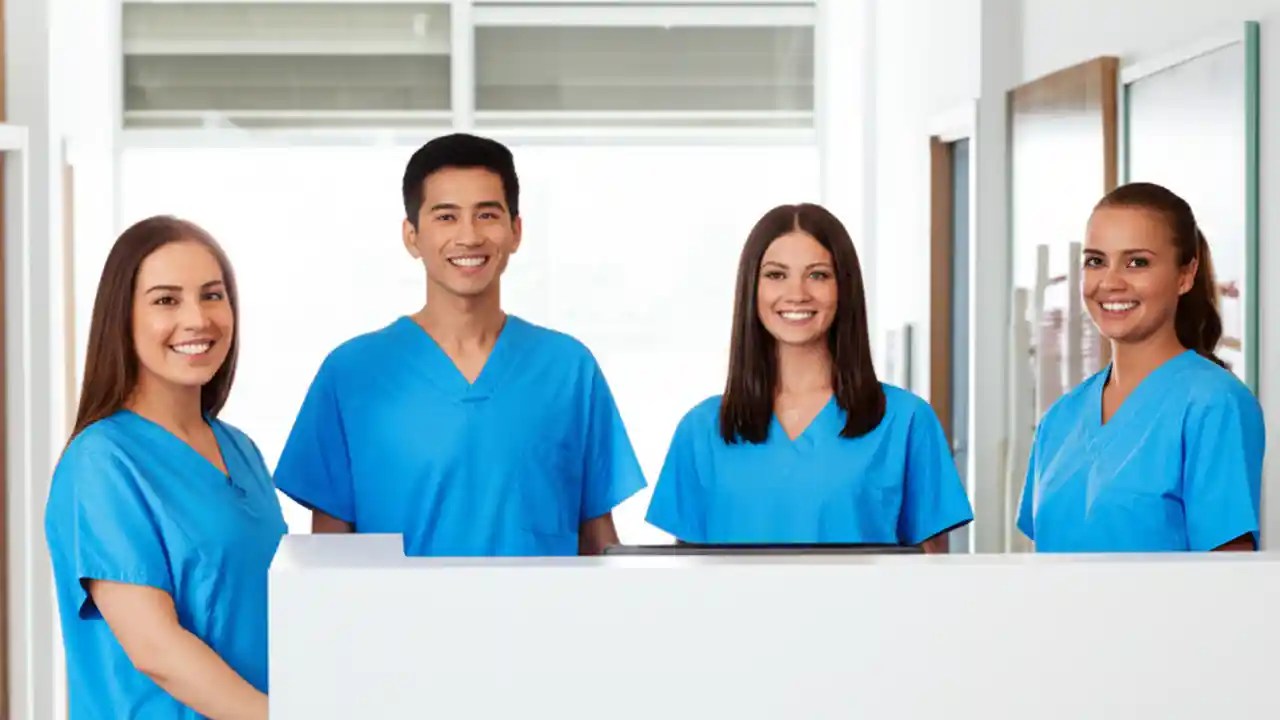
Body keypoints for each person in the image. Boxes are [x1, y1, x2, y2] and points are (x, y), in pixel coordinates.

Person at [273, 133, 646, 556]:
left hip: (543, 622)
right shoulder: (351, 374)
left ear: (515, 231)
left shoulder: (569, 369)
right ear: (412, 236)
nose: (468, 236)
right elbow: (328, 558)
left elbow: (599, 544)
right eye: (446, 217)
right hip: (398, 622)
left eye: (487, 215)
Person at [45, 216, 285, 718]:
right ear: (123, 317)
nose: (198, 319)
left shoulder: (240, 450)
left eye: (213, 295)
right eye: (165, 300)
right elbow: (156, 650)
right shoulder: (102, 462)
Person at [644, 203, 972, 551]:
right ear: (751, 289)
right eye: (775, 275)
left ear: (843, 287)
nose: (797, 293)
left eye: (817, 275)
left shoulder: (906, 421)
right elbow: (685, 584)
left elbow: (932, 581)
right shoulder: (702, 429)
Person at [1017, 182, 1264, 552]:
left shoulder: (1214, 405)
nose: (1111, 282)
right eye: (1096, 261)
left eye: (1137, 262)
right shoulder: (1059, 421)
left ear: (1186, 274)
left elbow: (1229, 583)